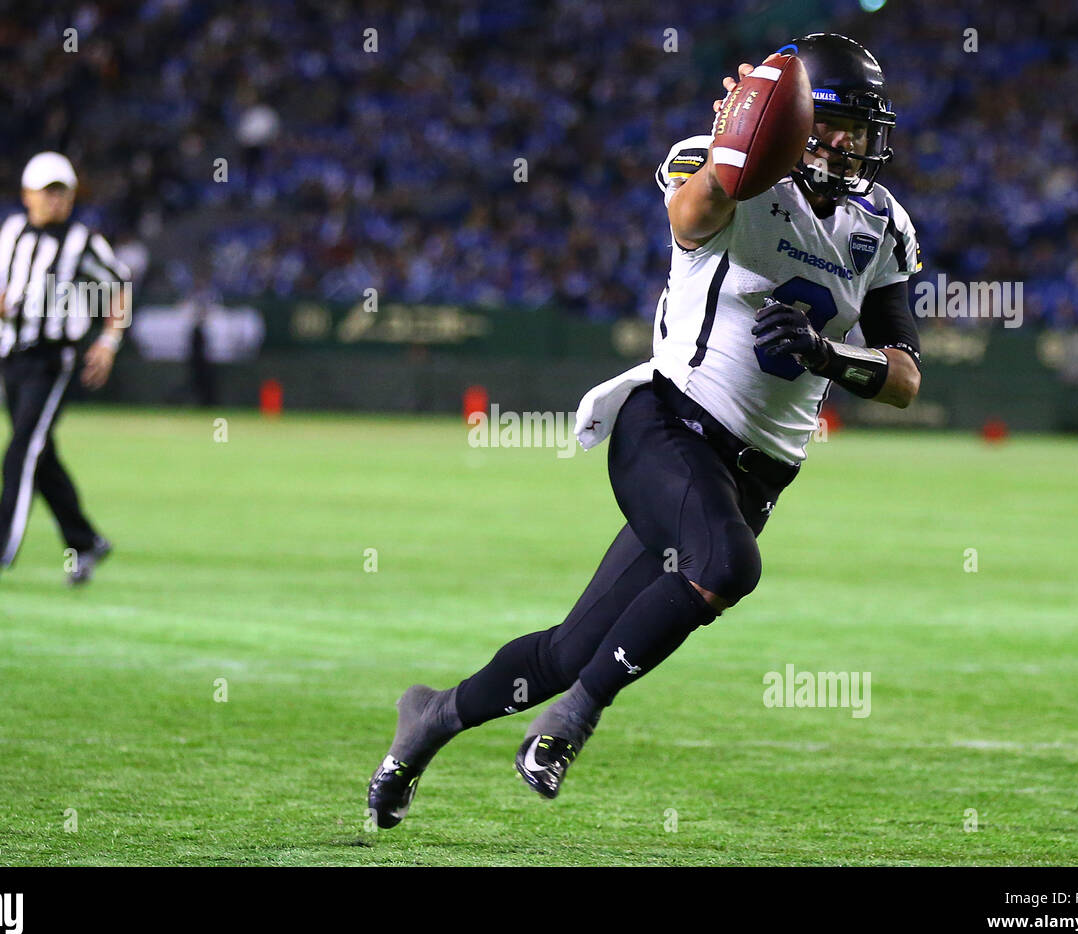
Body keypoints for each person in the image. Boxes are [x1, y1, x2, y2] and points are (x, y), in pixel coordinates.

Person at [368, 33, 923, 827]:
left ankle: (428, 721)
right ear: (793, 118)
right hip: (669, 422)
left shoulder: (884, 226)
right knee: (727, 565)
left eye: (860, 129)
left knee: (566, 650)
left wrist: (829, 353)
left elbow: (904, 377)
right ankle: (569, 724)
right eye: (830, 122)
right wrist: (742, 141)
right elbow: (690, 215)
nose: (848, 144)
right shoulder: (730, 170)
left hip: (757, 473)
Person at [0, 152, 130, 587]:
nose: (56, 200)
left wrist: (109, 342)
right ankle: (85, 540)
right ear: (27, 195)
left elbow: (118, 287)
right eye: (48, 191)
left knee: (21, 452)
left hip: (53, 359)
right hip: (11, 355)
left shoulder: (82, 241)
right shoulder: (9, 232)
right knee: (40, 455)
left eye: (63, 191)